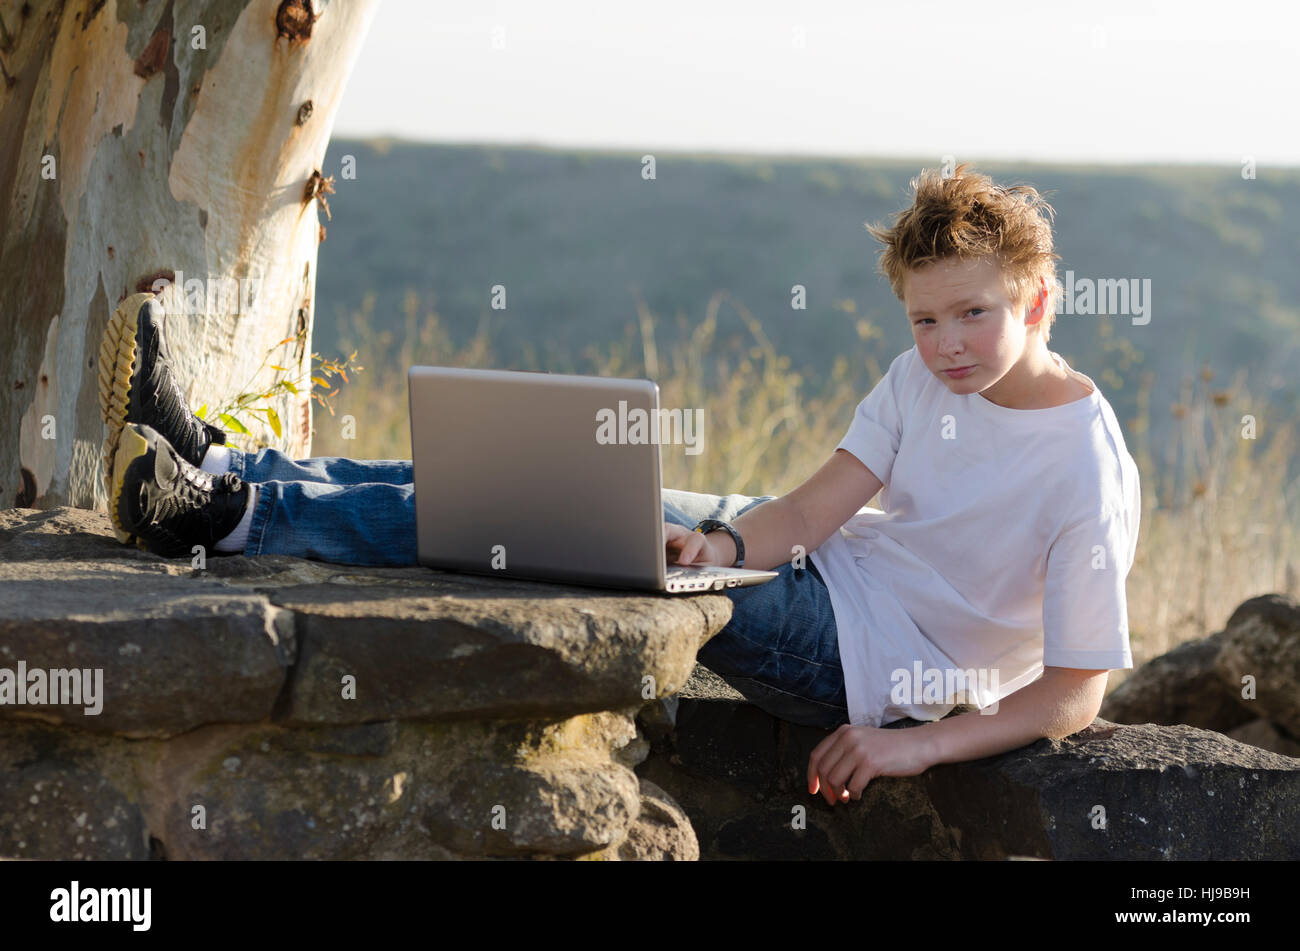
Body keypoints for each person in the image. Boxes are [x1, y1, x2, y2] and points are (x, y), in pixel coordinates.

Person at [102, 162, 1139, 807]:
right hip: (825, 572)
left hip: (871, 665)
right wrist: (724, 548)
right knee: (529, 475)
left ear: (1038, 301)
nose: (945, 345)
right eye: (924, 319)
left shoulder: (1080, 466)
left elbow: (1074, 692)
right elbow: (813, 509)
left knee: (550, 527)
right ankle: (225, 459)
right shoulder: (919, 378)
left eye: (972, 316)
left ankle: (228, 521)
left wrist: (921, 750)